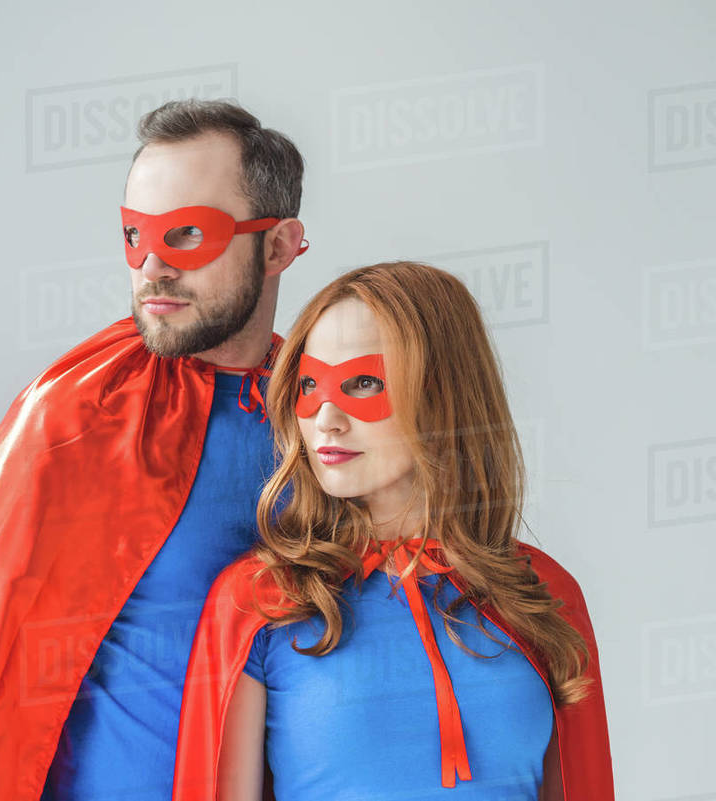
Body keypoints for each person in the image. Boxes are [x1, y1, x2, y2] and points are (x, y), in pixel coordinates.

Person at [0, 99, 310, 801]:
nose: (152, 265)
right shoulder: (73, 417)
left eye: (189, 233)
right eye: (135, 234)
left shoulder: (326, 416)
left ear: (277, 246)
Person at [171, 261, 614, 800]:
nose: (327, 416)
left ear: (442, 393)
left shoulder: (542, 592)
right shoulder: (260, 600)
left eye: (363, 383)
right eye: (309, 384)